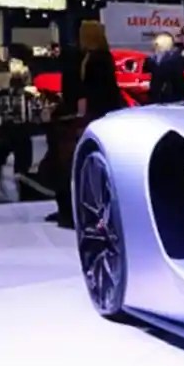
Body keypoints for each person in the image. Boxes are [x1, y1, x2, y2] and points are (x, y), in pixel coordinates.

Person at [48, 21, 125, 227]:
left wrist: (81, 112)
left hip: (91, 117)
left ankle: (72, 211)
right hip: (95, 116)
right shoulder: (92, 58)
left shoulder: (96, 60)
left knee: (74, 163)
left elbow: (93, 91)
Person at [148, 33, 184, 103]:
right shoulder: (155, 59)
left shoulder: (172, 60)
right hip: (162, 96)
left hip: (171, 97)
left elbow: (178, 81)